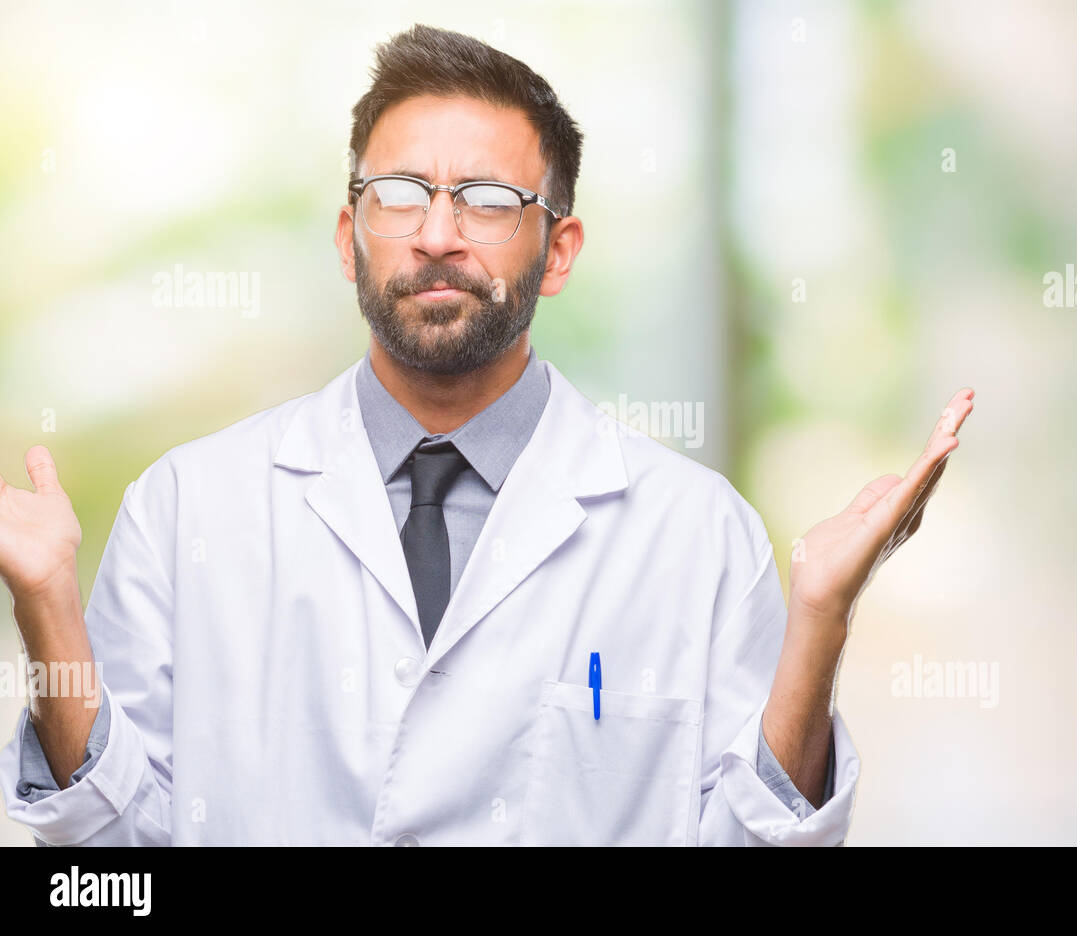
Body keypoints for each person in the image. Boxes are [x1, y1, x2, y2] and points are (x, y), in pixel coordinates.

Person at [0, 25, 973, 846]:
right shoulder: (187, 509)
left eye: (487, 200)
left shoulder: (695, 534)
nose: (435, 234)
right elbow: (110, 869)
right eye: (400, 193)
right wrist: (46, 606)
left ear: (559, 253)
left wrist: (820, 619)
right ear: (349, 238)